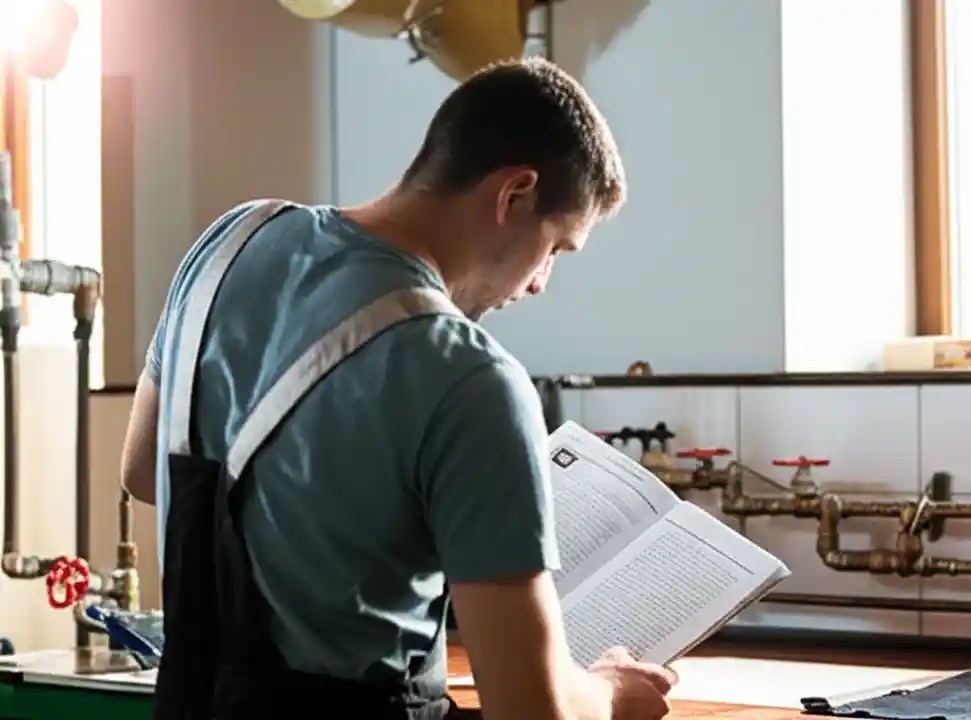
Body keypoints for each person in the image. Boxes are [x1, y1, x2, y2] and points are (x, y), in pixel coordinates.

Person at [119, 57, 678, 720]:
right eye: (555, 248)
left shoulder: (232, 240)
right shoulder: (472, 379)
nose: (538, 284)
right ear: (515, 195)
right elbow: (531, 708)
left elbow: (140, 470)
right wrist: (614, 692)